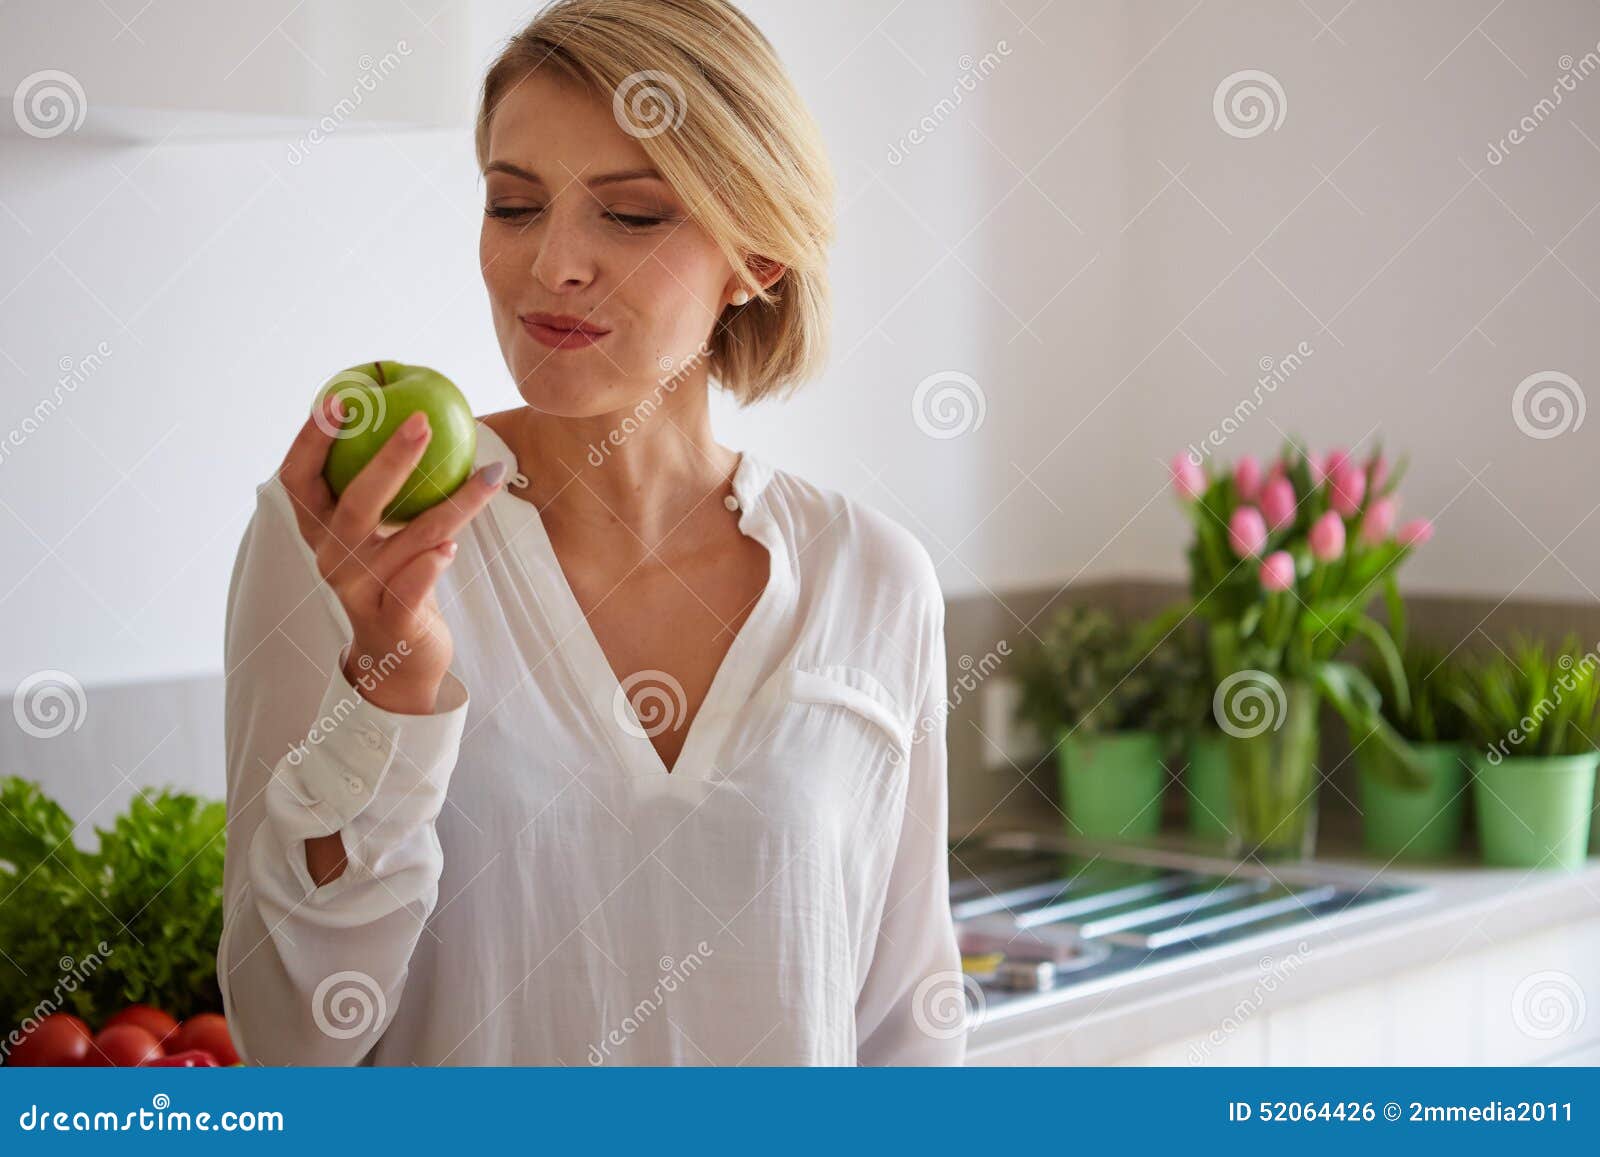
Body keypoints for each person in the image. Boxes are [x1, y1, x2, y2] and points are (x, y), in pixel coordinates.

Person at [217, 0, 964, 1066]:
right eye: (514, 204)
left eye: (632, 215)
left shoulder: (873, 577)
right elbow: (293, 1039)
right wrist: (390, 688)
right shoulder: (344, 541)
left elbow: (905, 1034)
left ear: (754, 252)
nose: (552, 263)